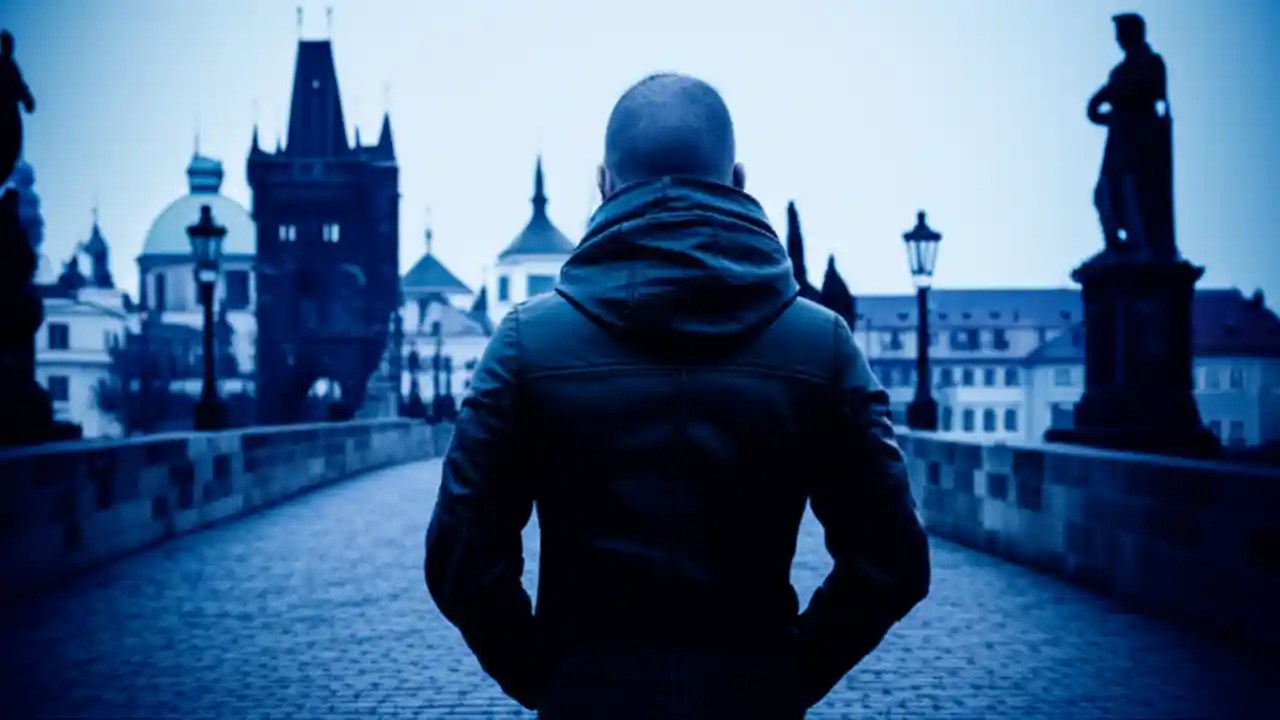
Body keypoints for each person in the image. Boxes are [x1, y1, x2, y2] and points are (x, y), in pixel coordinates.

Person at [425, 72, 930, 718]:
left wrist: (548, 678)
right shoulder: (822, 343)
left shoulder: (526, 342)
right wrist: (790, 675)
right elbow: (893, 560)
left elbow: (461, 559)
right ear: (738, 180)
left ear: (603, 185)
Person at [0, 30, 36, 184]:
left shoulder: (12, 67)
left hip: (9, 115)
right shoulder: (5, 65)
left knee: (11, 151)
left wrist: (28, 99)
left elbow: (21, 87)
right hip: (4, 112)